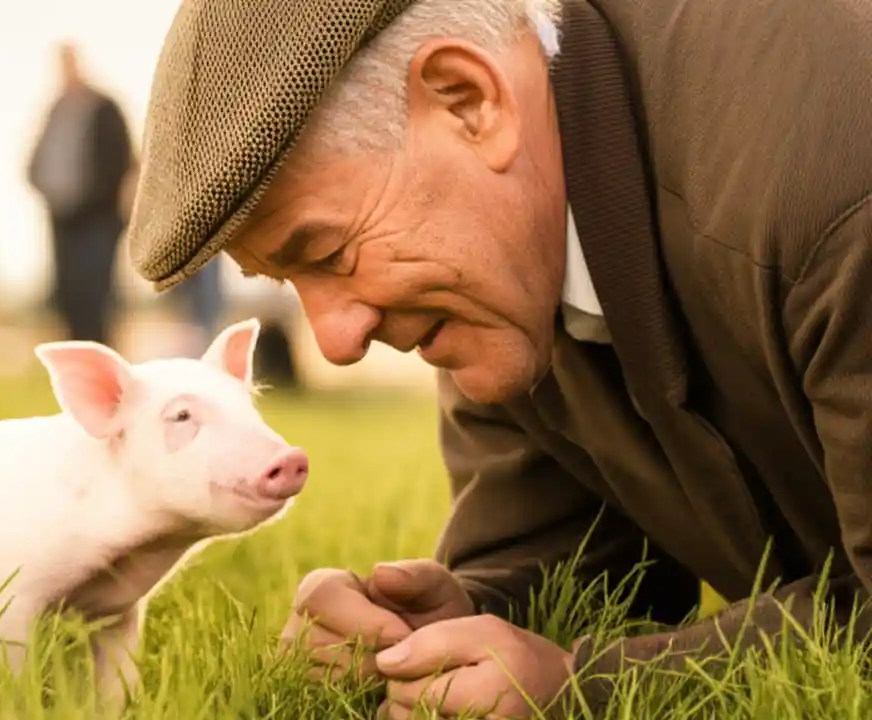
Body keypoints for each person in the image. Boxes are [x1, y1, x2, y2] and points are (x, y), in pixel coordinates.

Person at [123, 0, 872, 717]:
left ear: (469, 101)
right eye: (291, 284)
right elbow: (585, 565)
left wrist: (590, 690)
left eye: (328, 252)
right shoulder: (503, 279)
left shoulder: (835, 179)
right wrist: (451, 628)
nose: (335, 341)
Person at [26, 42, 134, 347]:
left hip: (97, 217)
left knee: (97, 290)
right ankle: (74, 352)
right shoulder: (55, 109)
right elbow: (36, 159)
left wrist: (94, 198)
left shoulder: (104, 107)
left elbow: (121, 159)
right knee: (68, 289)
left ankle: (102, 352)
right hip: (61, 215)